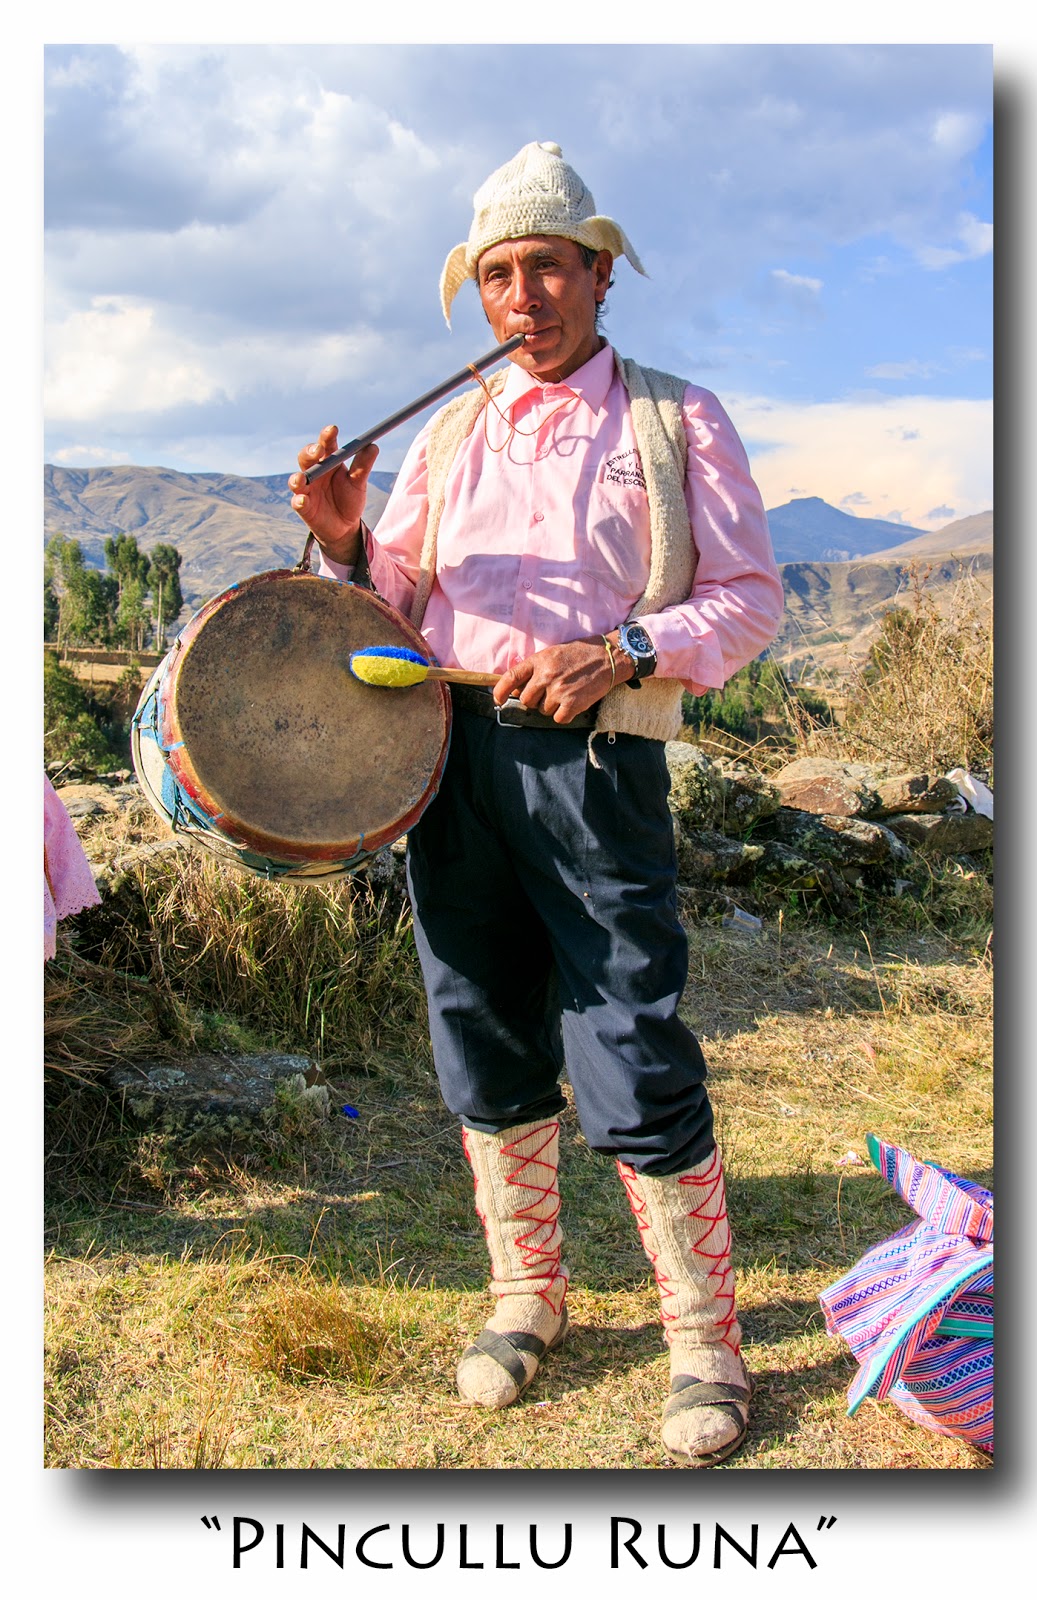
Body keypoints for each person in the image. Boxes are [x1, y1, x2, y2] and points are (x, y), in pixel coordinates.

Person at [290, 140, 784, 1467]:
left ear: (599, 272)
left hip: (596, 765)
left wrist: (623, 649)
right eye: (499, 275)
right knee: (481, 1025)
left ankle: (703, 1340)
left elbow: (748, 601)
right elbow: (389, 614)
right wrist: (345, 538)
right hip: (445, 761)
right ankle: (529, 1299)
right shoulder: (449, 433)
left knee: (627, 1029)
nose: (524, 296)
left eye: (547, 268)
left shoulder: (673, 422)